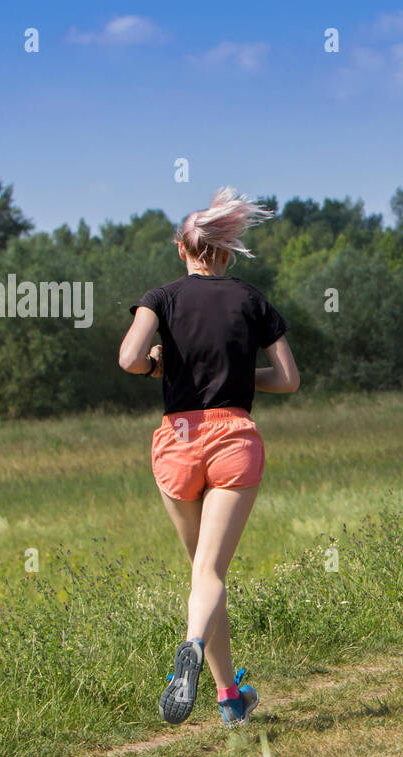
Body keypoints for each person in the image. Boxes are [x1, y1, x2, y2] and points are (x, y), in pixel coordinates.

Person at [118, 187, 300, 726]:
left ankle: (228, 697)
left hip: (175, 441)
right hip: (233, 439)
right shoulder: (251, 300)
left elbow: (129, 358)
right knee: (211, 574)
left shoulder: (162, 296)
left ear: (183, 249)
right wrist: (240, 378)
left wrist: (159, 367)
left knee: (202, 573)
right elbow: (288, 380)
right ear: (225, 251)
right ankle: (193, 647)